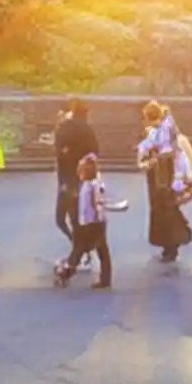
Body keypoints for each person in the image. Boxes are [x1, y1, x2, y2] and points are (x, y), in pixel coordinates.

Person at [137, 101, 192, 263]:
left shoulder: (163, 131)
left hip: (162, 174)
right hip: (161, 173)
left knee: (164, 208)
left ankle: (172, 243)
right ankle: (170, 243)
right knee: (164, 207)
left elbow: (167, 153)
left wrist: (154, 158)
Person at [54, 155, 112, 289]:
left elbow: (93, 204)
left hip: (90, 224)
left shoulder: (90, 187)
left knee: (80, 250)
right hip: (97, 223)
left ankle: (66, 273)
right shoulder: (94, 184)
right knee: (102, 251)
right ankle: (105, 279)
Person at [53, 99, 99, 245]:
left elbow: (59, 148)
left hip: (66, 178)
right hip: (82, 179)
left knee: (61, 218)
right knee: (78, 217)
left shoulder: (65, 127)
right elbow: (95, 152)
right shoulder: (88, 130)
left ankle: (76, 243)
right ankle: (81, 245)